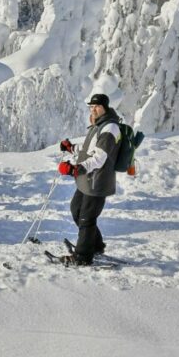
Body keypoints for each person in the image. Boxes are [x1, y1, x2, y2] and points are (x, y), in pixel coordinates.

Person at [57, 93, 120, 266]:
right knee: (76, 210)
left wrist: (75, 169)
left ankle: (83, 257)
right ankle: (95, 245)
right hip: (88, 179)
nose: (93, 110)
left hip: (98, 181)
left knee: (86, 218)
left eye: (97, 107)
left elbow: (99, 158)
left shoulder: (110, 128)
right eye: (91, 107)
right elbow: (88, 150)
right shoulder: (98, 126)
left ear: (105, 107)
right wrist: (71, 148)